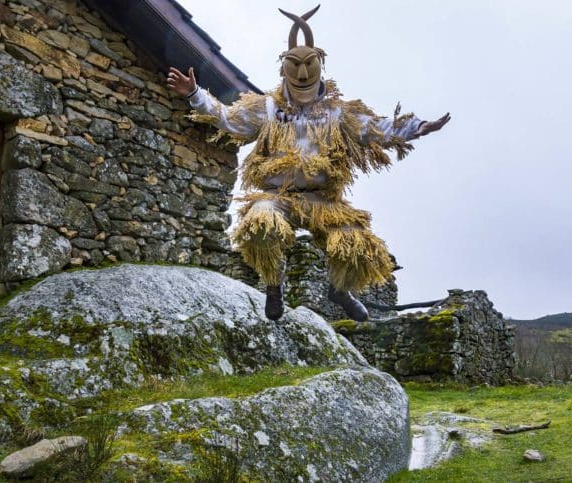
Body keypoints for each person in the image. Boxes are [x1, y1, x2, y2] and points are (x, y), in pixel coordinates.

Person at [167, 5, 449, 322]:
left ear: (319, 68)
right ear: (284, 69)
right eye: (295, 66)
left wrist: (415, 127)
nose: (302, 74)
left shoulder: (338, 111)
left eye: (309, 66)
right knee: (259, 222)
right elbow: (228, 119)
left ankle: (339, 290)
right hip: (278, 196)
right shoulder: (267, 108)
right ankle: (274, 286)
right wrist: (194, 94)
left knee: (357, 242)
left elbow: (374, 128)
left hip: (322, 199)